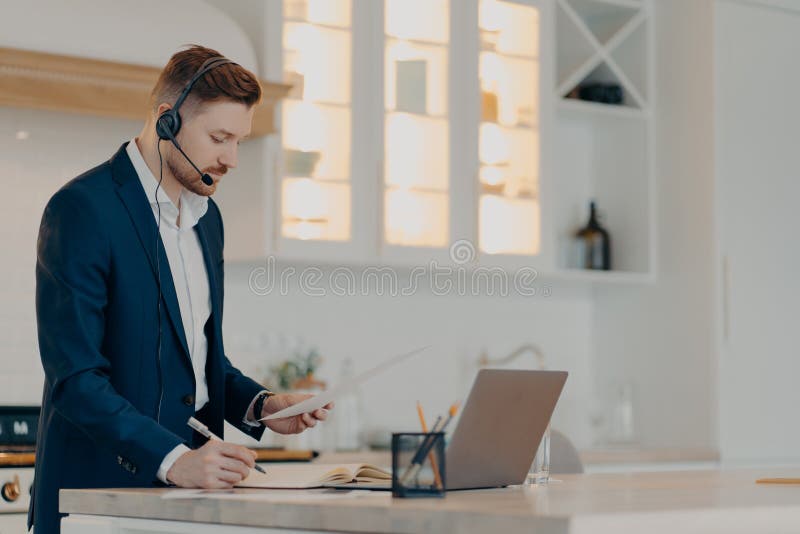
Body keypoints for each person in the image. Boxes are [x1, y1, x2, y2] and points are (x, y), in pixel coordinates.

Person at [30, 45, 331, 534]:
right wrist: (172, 459)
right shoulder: (82, 209)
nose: (232, 158)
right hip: (94, 505)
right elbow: (76, 379)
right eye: (219, 137)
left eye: (239, 140)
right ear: (167, 120)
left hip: (183, 506)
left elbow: (199, 361)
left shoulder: (206, 219)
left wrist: (263, 406)